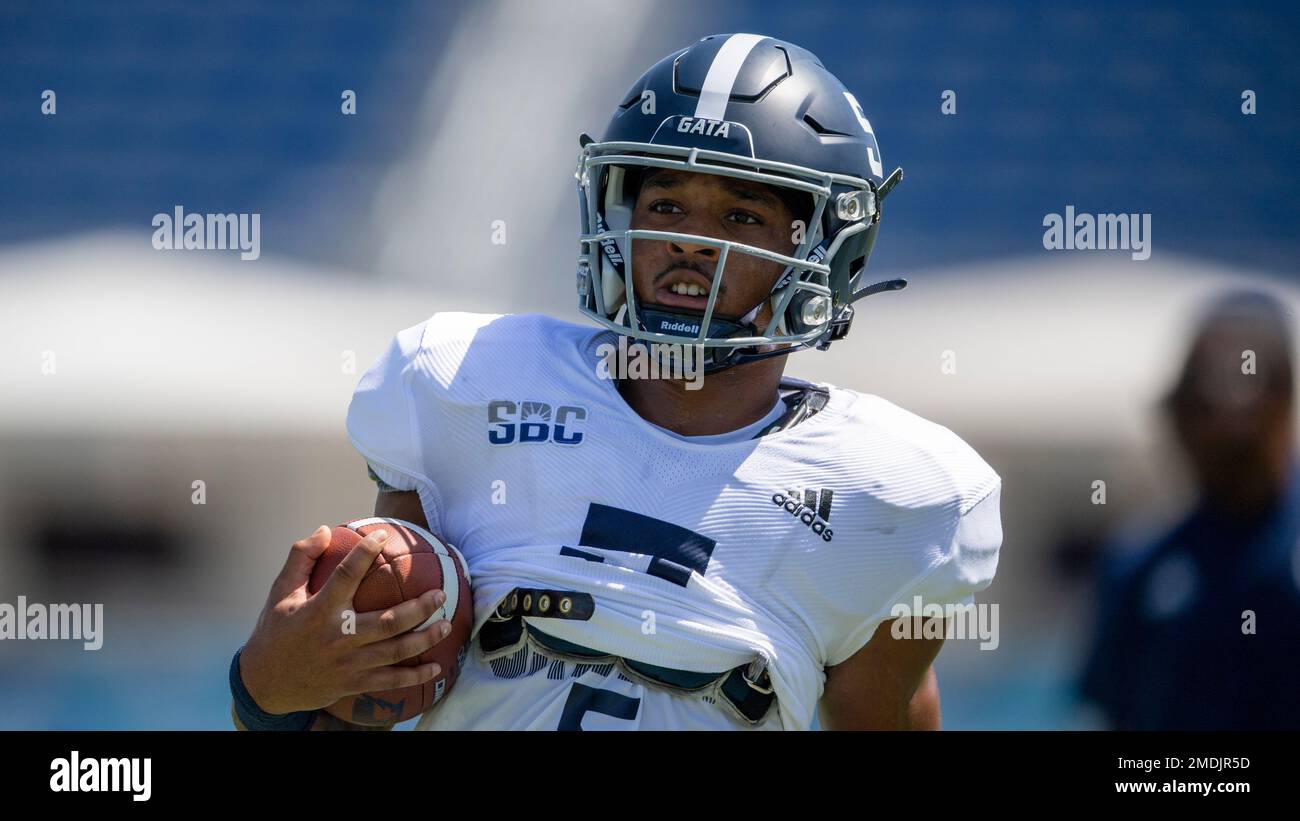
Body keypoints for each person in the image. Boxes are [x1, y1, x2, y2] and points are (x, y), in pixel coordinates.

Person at [231, 33, 1003, 731]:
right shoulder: (465, 387)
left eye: (740, 216)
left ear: (829, 250)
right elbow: (351, 706)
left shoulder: (895, 494)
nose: (690, 242)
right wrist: (264, 693)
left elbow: (883, 716)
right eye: (665, 203)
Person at [1080, 290, 1300, 729]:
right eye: (1185, 406)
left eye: (1206, 408)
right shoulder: (1137, 565)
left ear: (1281, 405)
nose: (1192, 431)